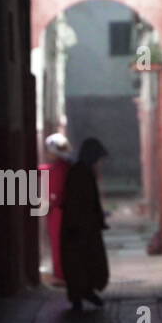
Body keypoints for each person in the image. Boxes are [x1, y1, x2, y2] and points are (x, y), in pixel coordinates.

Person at [61, 138, 110, 312]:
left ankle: (84, 293)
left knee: (84, 262)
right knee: (80, 263)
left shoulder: (82, 172)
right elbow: (77, 202)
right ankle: (80, 296)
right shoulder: (81, 173)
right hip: (78, 228)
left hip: (83, 227)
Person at [39, 133, 72, 286]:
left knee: (59, 243)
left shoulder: (57, 170)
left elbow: (55, 193)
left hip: (59, 212)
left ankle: (61, 276)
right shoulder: (66, 167)